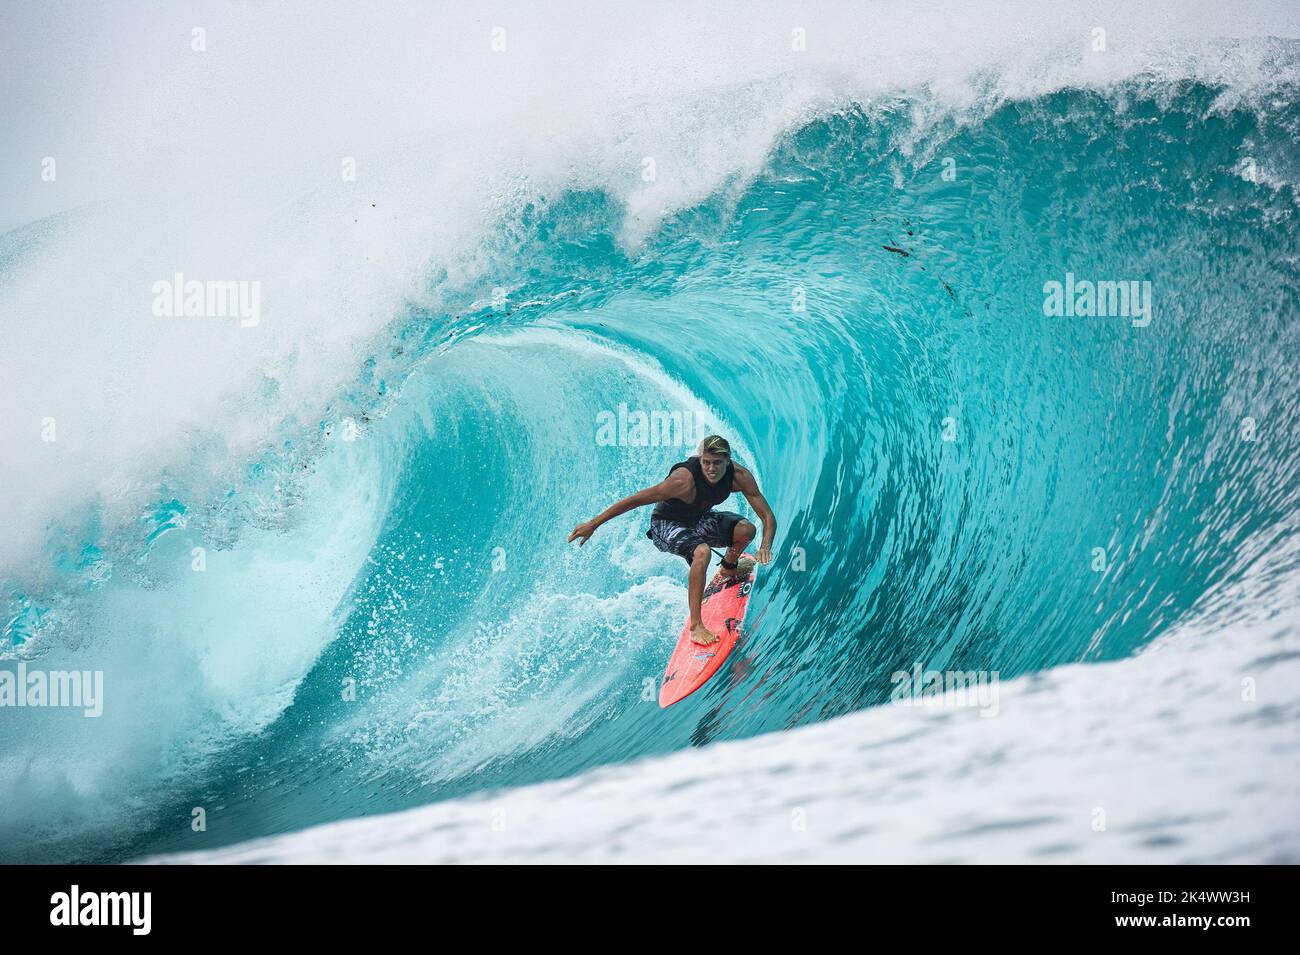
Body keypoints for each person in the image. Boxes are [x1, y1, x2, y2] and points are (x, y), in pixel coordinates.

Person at [568, 435, 776, 645]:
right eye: (706, 462)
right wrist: (594, 524)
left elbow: (767, 517)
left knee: (746, 530)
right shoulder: (683, 480)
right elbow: (635, 500)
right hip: (666, 524)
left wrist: (765, 546)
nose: (711, 468)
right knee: (701, 552)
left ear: (728, 460)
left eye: (717, 463)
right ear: (699, 459)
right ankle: (696, 626)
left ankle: (728, 567)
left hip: (697, 519)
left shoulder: (739, 476)